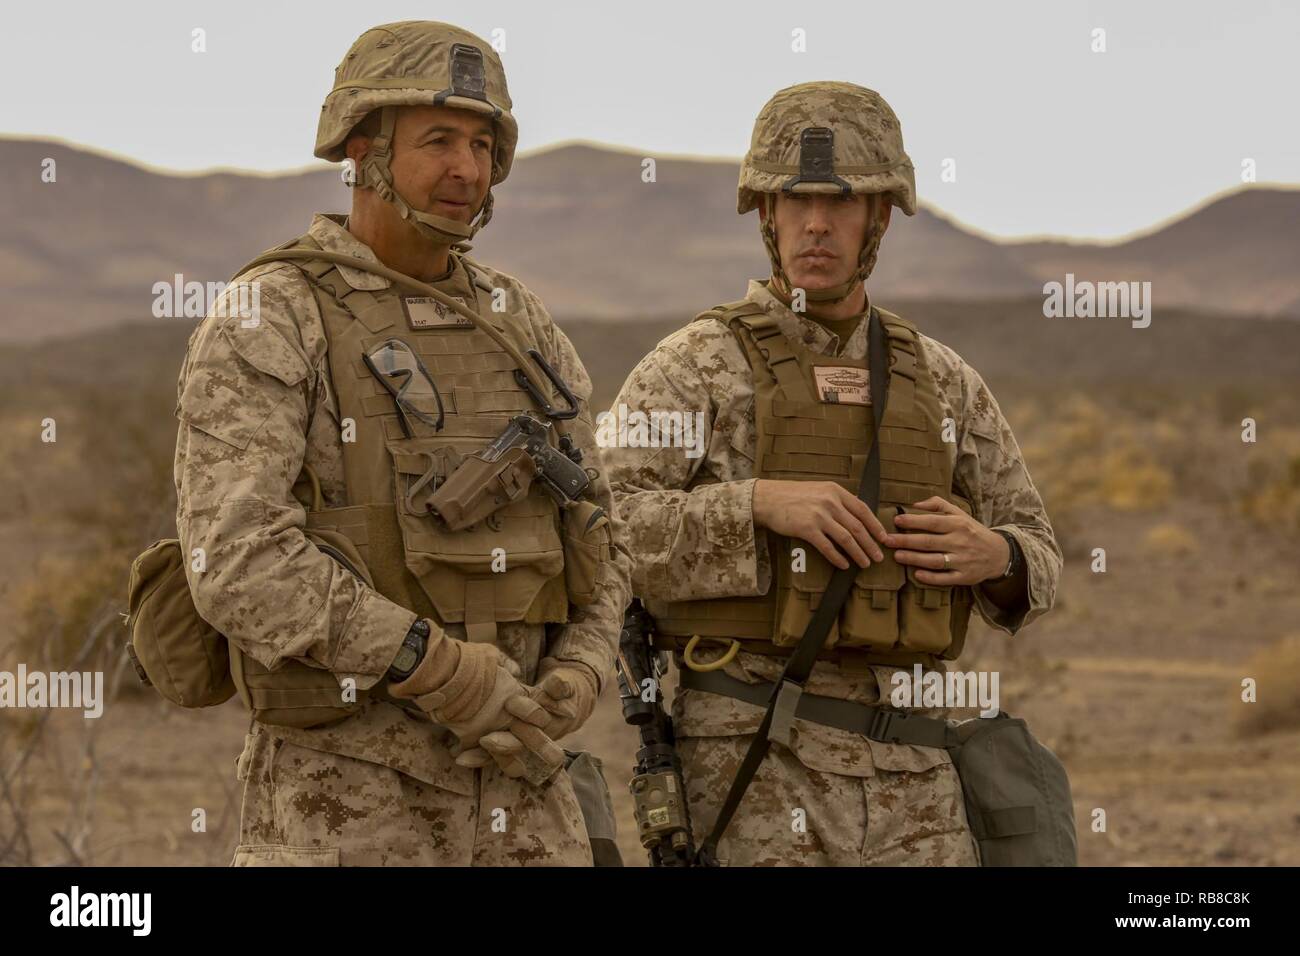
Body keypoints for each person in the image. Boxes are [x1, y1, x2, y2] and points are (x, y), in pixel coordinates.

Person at [172, 20, 631, 866]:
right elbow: (233, 559)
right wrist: (436, 669)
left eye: (484, 144)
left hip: (523, 789)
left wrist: (580, 676)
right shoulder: (274, 314)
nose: (467, 168)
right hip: (346, 796)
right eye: (439, 140)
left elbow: (603, 530)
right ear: (363, 147)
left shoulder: (517, 321)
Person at [603, 82, 1062, 866]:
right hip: (752, 765)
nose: (817, 223)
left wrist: (999, 557)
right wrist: (756, 506)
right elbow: (608, 533)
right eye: (797, 200)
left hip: (916, 777)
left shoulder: (943, 381)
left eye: (841, 203)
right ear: (766, 215)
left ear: (878, 218)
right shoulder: (694, 366)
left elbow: (1042, 552)